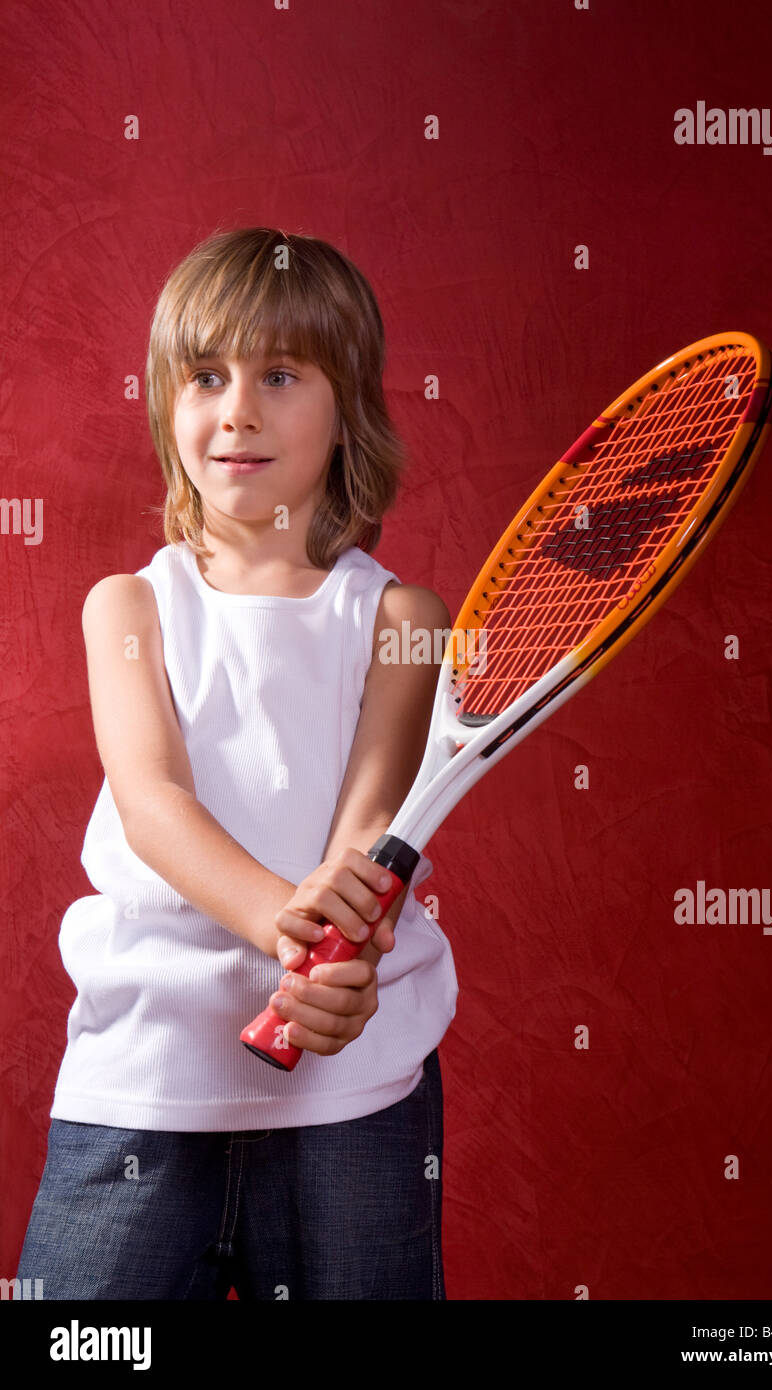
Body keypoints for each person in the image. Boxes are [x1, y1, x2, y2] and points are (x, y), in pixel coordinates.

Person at [16, 227, 458, 1300]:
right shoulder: (128, 607)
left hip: (349, 1085)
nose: (238, 409)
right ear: (170, 402)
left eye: (279, 374)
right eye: (206, 376)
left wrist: (334, 968)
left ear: (346, 406)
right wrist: (281, 923)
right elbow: (153, 801)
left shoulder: (401, 618)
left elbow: (368, 827)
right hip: (148, 1075)